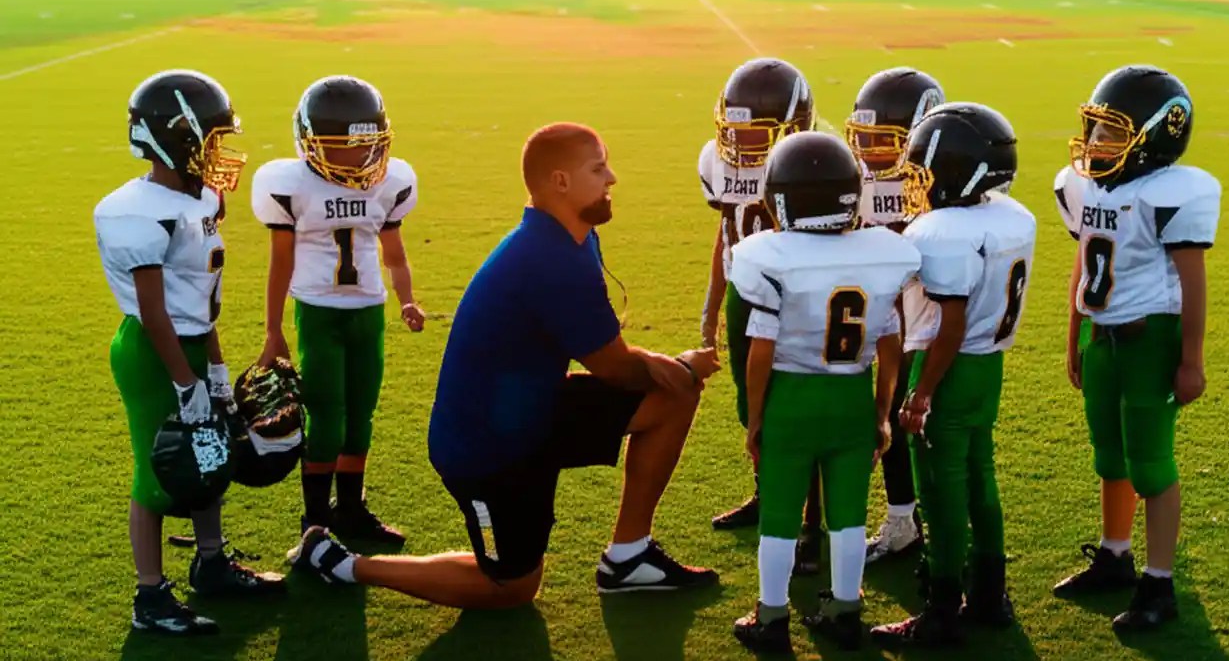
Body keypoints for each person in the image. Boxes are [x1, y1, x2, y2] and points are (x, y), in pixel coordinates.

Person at [289, 122, 720, 608]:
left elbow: (611, 360)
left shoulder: (571, 235)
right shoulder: (549, 257)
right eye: (598, 169)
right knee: (512, 587)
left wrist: (673, 373)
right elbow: (615, 368)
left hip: (532, 409)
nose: (612, 178)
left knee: (673, 394)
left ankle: (628, 556)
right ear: (561, 182)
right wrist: (681, 363)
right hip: (487, 448)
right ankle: (341, 564)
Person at [94, 69, 284, 636]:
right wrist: (186, 384)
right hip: (155, 354)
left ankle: (211, 562)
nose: (221, 152)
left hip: (194, 342)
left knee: (211, 455)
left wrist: (218, 374)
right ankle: (149, 597)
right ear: (177, 139)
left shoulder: (202, 197)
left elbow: (201, 300)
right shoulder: (136, 209)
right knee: (159, 469)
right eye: (212, 139)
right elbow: (156, 313)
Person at [729, 132, 920, 653]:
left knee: (780, 516)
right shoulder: (884, 254)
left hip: (793, 397)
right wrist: (881, 410)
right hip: (851, 398)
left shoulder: (764, 255)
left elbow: (761, 351)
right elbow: (889, 343)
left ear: (782, 199)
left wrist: (757, 417)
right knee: (850, 514)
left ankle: (771, 616)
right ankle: (845, 606)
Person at [1050, 65, 1218, 632]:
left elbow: (1192, 282)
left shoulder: (1169, 192)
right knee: (1111, 456)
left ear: (1155, 137)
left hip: (1151, 340)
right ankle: (1115, 553)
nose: (1096, 143)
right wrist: (1075, 333)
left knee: (1150, 464)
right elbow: (1083, 261)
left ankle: (1160, 583)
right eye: (1096, 129)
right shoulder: (1090, 185)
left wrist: (1191, 359)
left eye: (1112, 133)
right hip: (1104, 337)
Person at [869, 102, 1036, 648]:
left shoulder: (941, 231)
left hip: (948, 363)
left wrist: (920, 391)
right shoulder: (1012, 216)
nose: (915, 181)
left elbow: (951, 322)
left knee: (941, 488)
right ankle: (990, 594)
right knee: (980, 476)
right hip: (989, 365)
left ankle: (942, 608)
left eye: (924, 169)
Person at [251, 75, 423, 547]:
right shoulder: (291, 185)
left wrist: (406, 298)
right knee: (326, 416)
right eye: (339, 147)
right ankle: (314, 519)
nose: (357, 158)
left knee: (361, 413)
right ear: (308, 143)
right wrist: (273, 329)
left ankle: (350, 508)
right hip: (319, 312)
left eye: (366, 146)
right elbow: (280, 262)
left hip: (368, 310)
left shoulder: (390, 182)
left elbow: (396, 254)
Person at [700, 57, 825, 574]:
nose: (739, 143)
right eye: (735, 130)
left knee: (800, 409)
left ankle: (812, 524)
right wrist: (711, 305)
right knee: (749, 403)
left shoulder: (817, 161)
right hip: (742, 292)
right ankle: (769, 494)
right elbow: (725, 231)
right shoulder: (717, 158)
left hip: (796, 296)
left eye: (755, 134)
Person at [843, 66, 945, 564]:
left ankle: (936, 530)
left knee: (923, 433)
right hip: (877, 320)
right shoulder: (855, 178)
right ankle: (904, 520)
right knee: (884, 423)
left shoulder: (941, 183)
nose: (868, 152)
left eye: (884, 142)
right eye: (863, 139)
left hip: (926, 328)